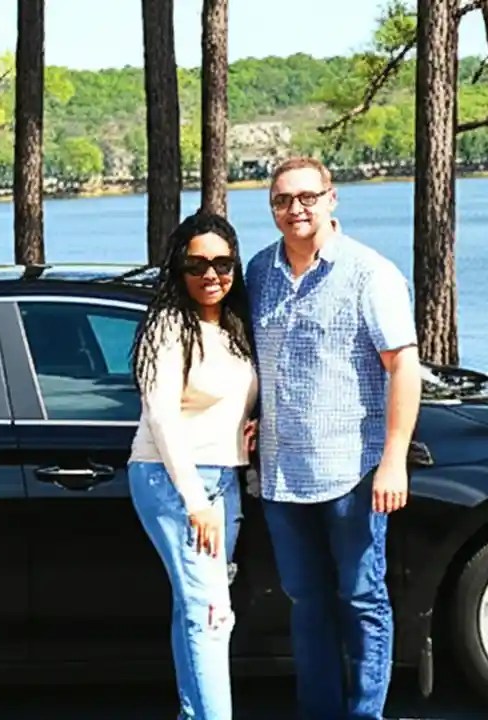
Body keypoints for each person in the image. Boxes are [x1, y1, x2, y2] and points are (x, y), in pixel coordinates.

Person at [244, 157, 422, 720]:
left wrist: (394, 459)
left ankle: (366, 714)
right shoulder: (257, 272)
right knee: (307, 603)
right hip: (280, 473)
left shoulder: (370, 273)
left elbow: (405, 368)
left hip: (354, 471)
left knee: (362, 598)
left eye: (306, 197)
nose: (295, 209)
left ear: (331, 198)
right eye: (282, 200)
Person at [127, 210, 259, 720]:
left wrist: (252, 429)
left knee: (196, 609)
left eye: (223, 263)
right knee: (211, 614)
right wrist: (194, 500)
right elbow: (162, 417)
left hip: (224, 479)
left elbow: (230, 405)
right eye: (197, 263)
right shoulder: (168, 326)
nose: (211, 275)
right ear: (178, 267)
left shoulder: (231, 327)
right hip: (173, 479)